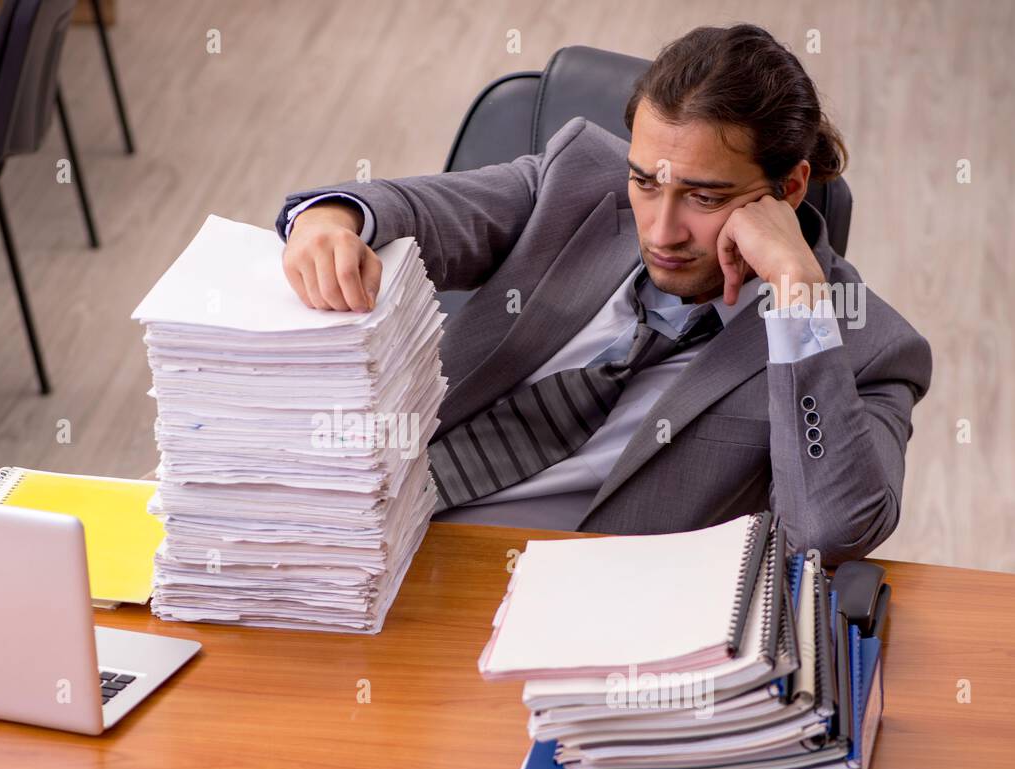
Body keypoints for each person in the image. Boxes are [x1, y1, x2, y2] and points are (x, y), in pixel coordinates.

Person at [275, 24, 931, 563]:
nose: (663, 230)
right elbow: (413, 210)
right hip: (364, 536)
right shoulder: (576, 185)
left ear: (788, 189)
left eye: (704, 197)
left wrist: (798, 296)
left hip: (569, 624)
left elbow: (829, 531)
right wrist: (332, 217)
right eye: (646, 182)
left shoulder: (870, 347)